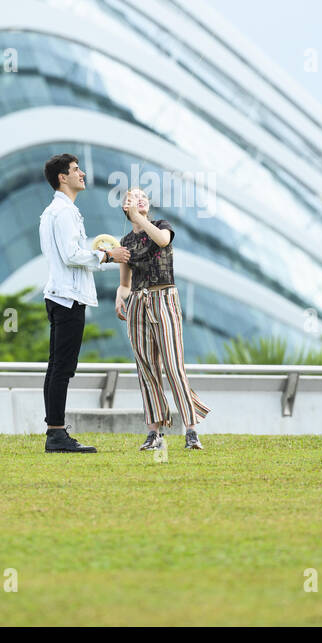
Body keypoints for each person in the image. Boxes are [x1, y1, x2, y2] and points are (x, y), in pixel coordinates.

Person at [39, 153, 131, 453]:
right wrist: (107, 256)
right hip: (67, 298)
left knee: (57, 367)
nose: (82, 174)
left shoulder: (54, 212)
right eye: (76, 170)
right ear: (62, 177)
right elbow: (71, 255)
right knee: (62, 368)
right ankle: (56, 434)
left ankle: (55, 431)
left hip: (60, 294)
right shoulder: (63, 213)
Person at [114, 187, 211, 451]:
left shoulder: (161, 225)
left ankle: (190, 430)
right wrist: (119, 296)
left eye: (143, 196)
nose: (140, 199)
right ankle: (154, 432)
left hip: (164, 298)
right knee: (146, 368)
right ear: (124, 207)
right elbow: (125, 282)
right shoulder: (124, 242)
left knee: (173, 365)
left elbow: (163, 241)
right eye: (132, 197)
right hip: (138, 303)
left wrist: (140, 217)